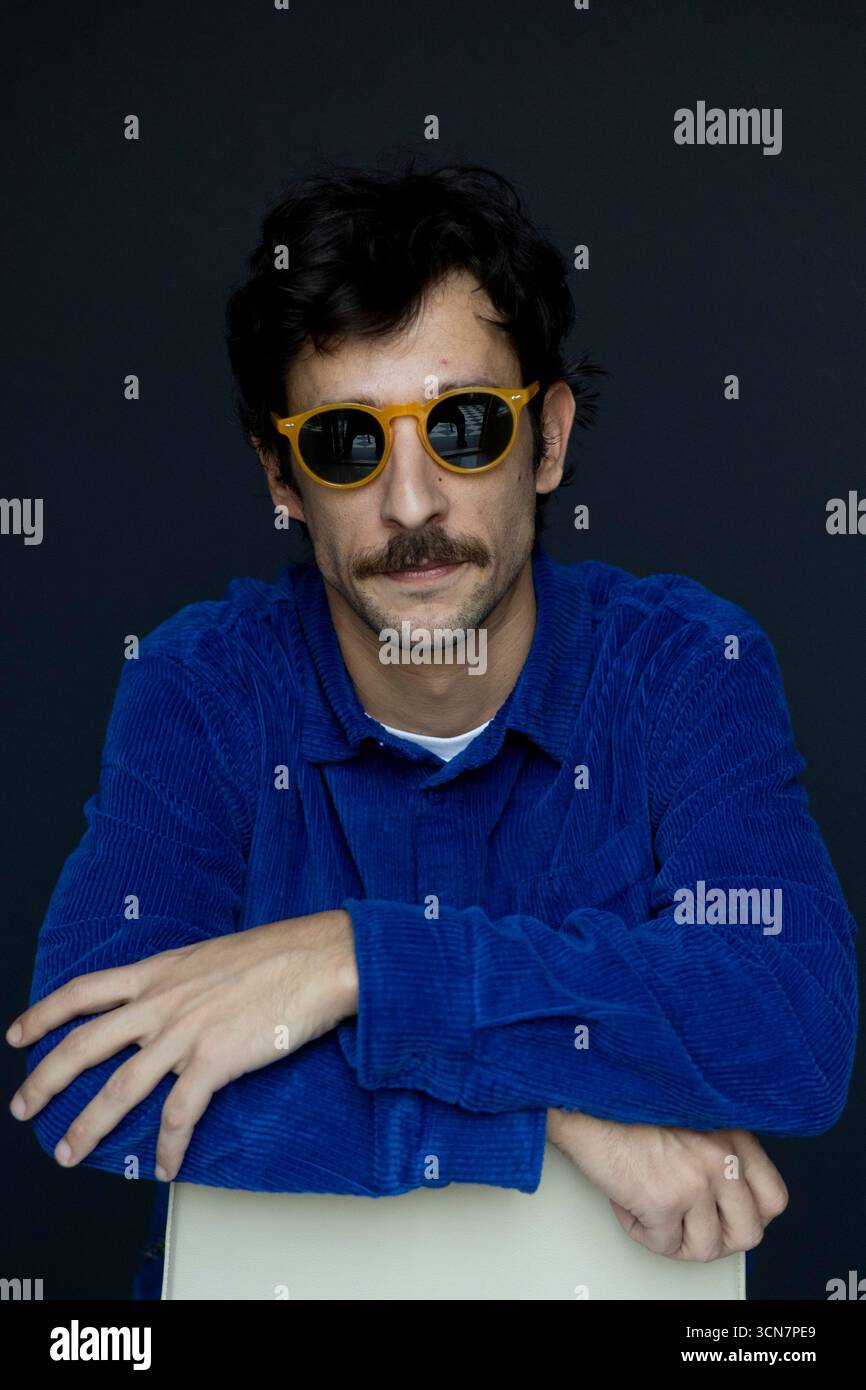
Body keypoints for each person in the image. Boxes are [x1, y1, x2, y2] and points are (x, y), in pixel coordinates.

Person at [7, 161, 858, 1300]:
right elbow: (89, 1076)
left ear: (546, 439)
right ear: (280, 475)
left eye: (462, 427)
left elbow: (788, 1030)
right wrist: (558, 1110)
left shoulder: (686, 672)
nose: (410, 505)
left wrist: (353, 959)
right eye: (347, 443)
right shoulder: (198, 688)